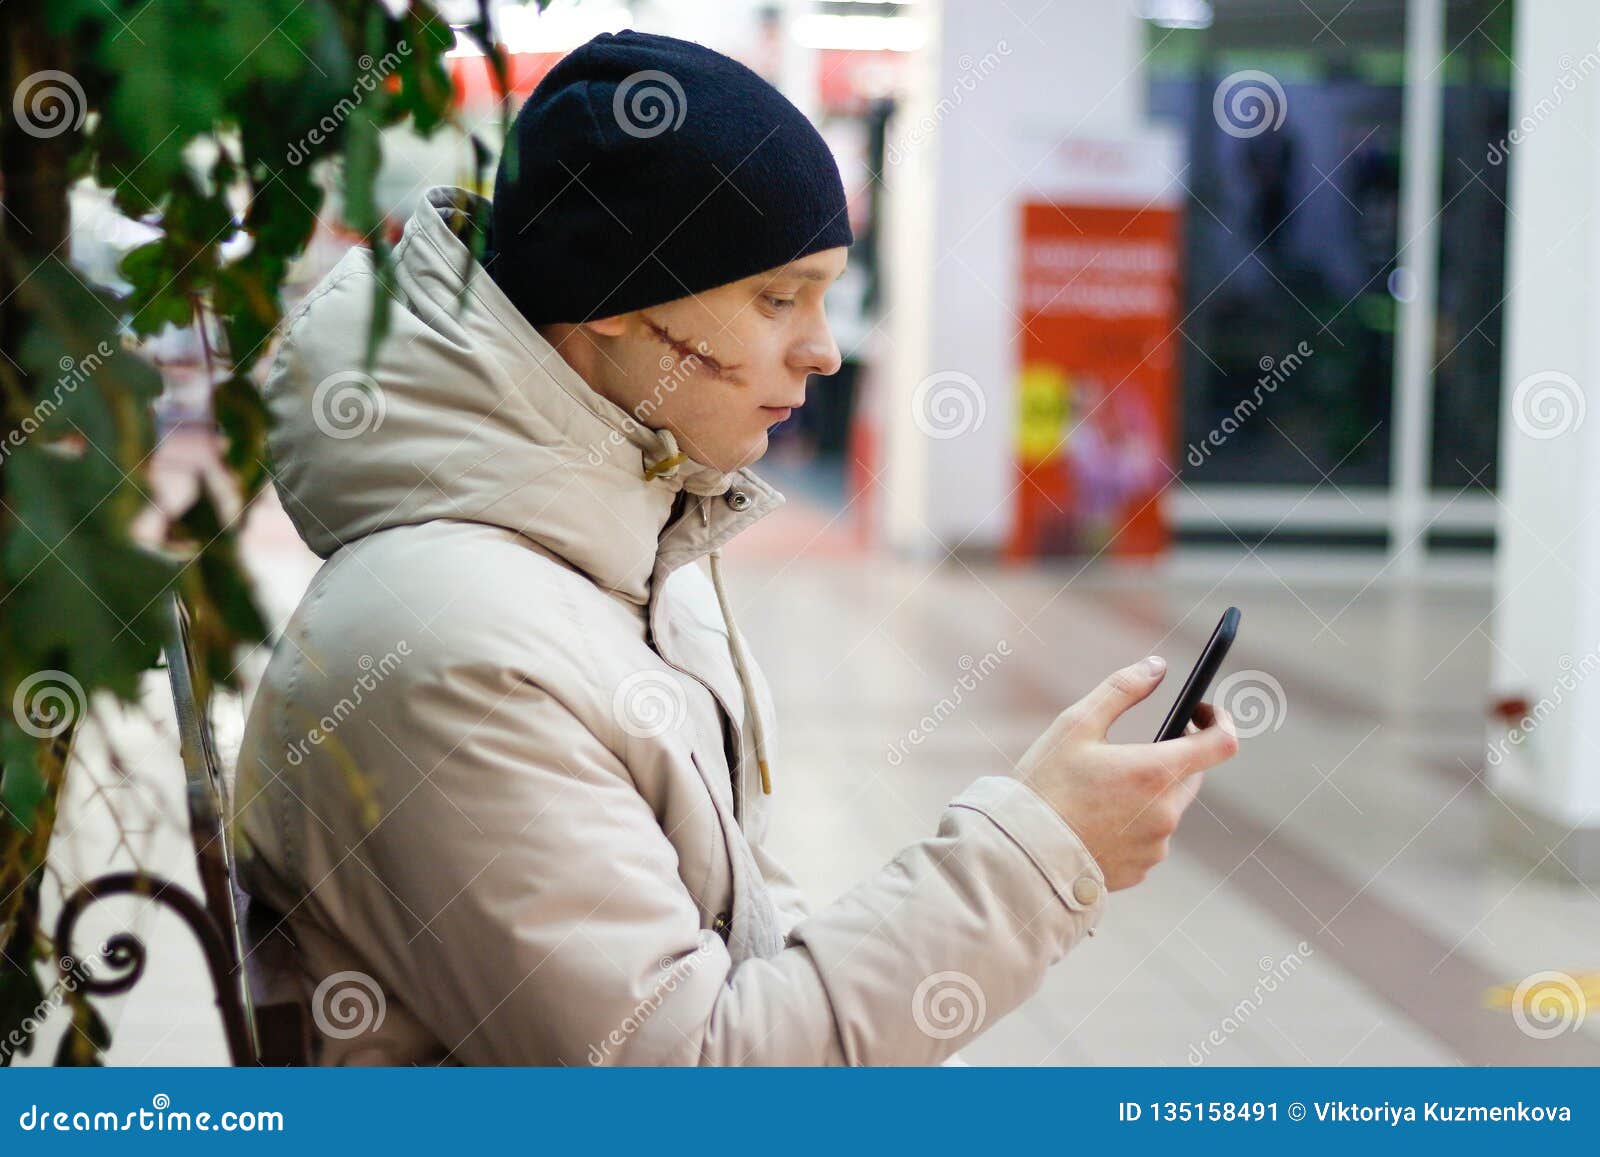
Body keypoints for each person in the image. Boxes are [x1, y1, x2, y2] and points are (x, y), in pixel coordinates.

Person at [233, 29, 1238, 1066]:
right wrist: (1038, 854)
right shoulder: (451, 645)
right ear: (617, 301)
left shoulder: (627, 550)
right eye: (776, 297)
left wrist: (1037, 839)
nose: (823, 346)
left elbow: (732, 942)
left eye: (822, 292)